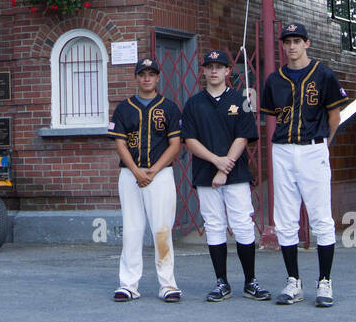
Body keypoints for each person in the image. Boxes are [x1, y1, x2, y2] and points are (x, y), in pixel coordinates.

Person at [260, 23, 350, 307]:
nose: (292, 46)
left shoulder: (323, 74)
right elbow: (271, 115)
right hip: (284, 149)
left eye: (297, 40)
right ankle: (293, 282)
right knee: (285, 219)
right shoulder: (275, 79)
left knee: (321, 217)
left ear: (307, 43)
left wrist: (323, 144)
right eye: (287, 41)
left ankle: (324, 282)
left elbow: (334, 117)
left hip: (313, 149)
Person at [180, 49, 269, 303]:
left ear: (228, 71)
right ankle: (221, 282)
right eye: (210, 66)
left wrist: (223, 168)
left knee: (242, 224)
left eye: (220, 66)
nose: (215, 70)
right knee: (214, 226)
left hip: (236, 174)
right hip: (206, 174)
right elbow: (189, 140)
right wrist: (216, 162)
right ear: (204, 71)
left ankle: (251, 281)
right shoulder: (194, 103)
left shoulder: (240, 99)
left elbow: (243, 137)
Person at [107, 57, 183, 302]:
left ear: (158, 77)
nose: (147, 78)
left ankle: (168, 284)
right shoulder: (124, 107)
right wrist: (136, 170)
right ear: (136, 77)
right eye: (142, 74)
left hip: (160, 174)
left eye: (151, 74)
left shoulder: (170, 107)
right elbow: (119, 143)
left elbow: (175, 144)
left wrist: (152, 170)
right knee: (132, 229)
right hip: (130, 174)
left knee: (162, 230)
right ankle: (128, 284)